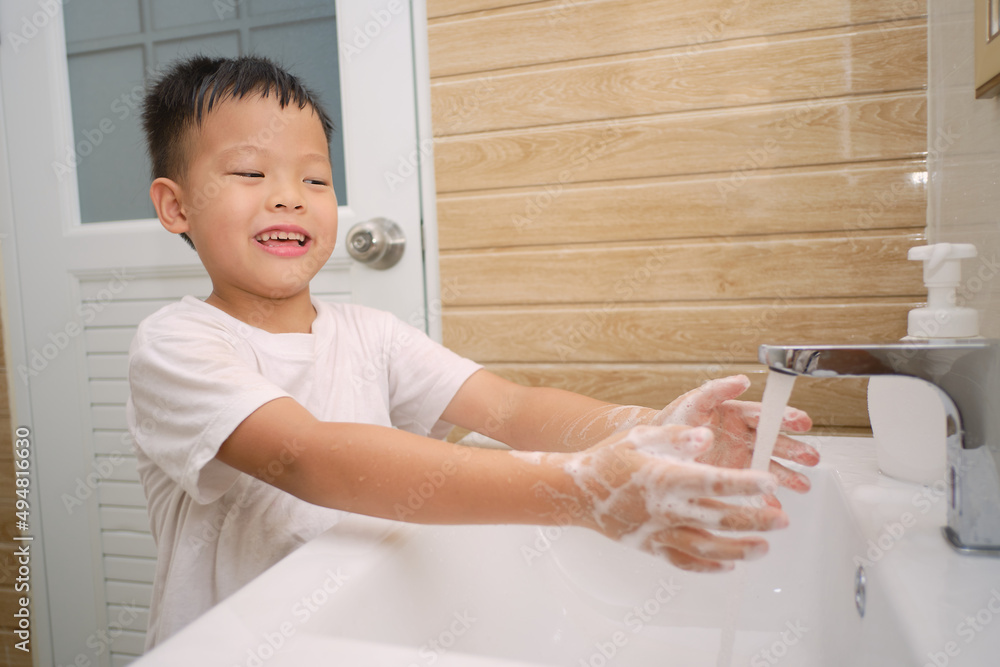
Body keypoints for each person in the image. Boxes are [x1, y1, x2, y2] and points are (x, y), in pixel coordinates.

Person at [127, 55, 817, 649]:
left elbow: (512, 407)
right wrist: (577, 490)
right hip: (237, 644)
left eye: (315, 180)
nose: (290, 198)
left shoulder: (371, 332)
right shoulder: (177, 345)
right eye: (250, 173)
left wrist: (652, 429)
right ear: (176, 207)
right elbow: (308, 455)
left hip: (348, 629)